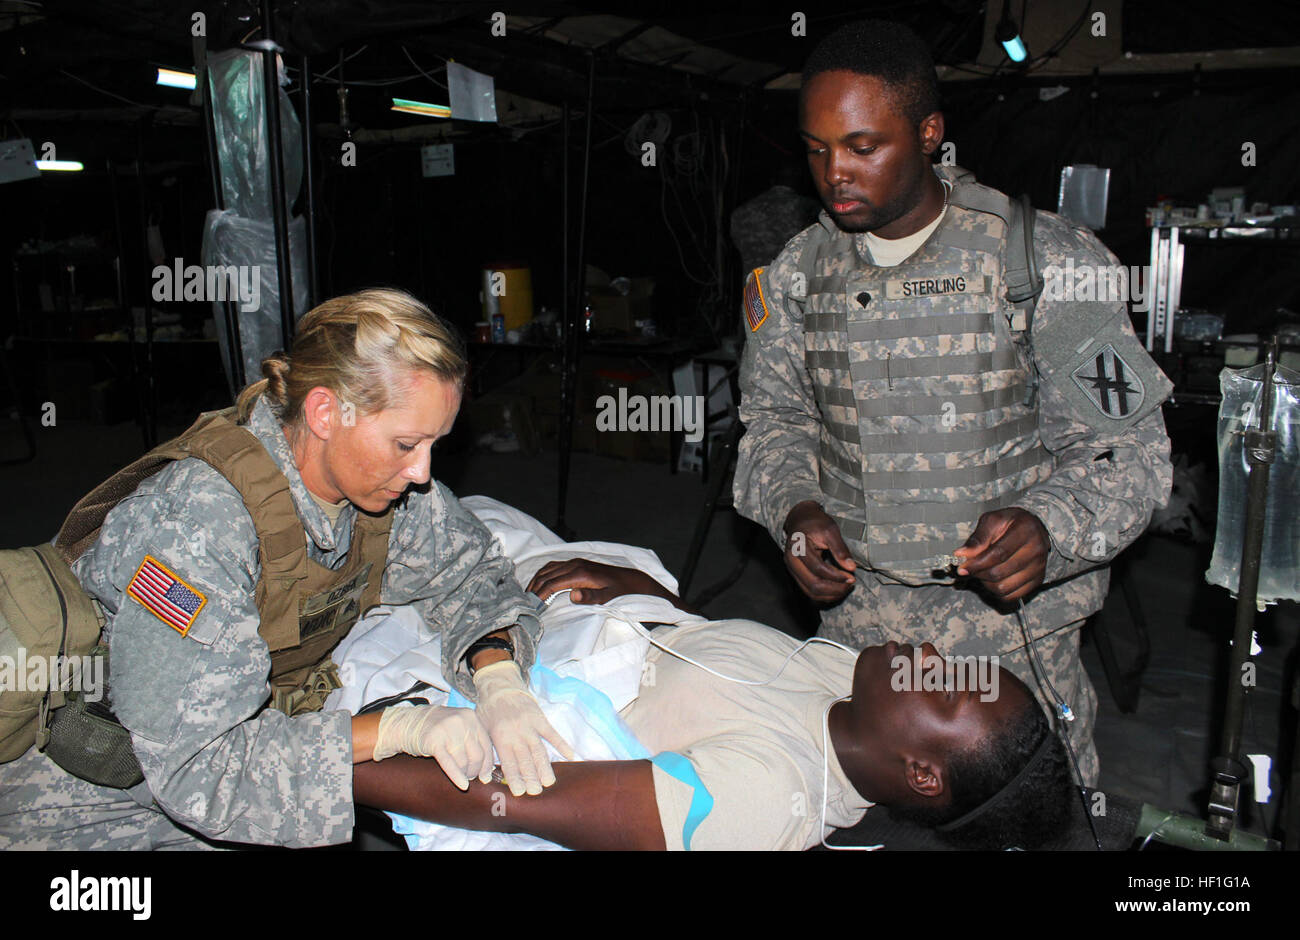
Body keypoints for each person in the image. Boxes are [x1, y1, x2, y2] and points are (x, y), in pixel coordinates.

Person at [732, 20, 1174, 787]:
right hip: (859, 644)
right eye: (815, 148)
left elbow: (1130, 451)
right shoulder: (796, 276)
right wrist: (796, 513)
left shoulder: (1044, 262)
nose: (834, 172)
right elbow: (774, 422)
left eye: (863, 146)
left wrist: (1050, 526)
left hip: (1011, 644)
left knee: (1039, 822)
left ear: (930, 132)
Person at [0, 288, 573, 850]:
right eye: (405, 443)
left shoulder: (386, 492)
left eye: (432, 444)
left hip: (221, 756)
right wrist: (396, 731)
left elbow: (474, 571)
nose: (423, 472)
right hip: (91, 794)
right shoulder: (194, 528)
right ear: (326, 411)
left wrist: (497, 675)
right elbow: (199, 768)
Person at [352, 557, 1077, 851]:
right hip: (601, 628)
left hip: (531, 699)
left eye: (942, 687)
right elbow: (726, 662)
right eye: (950, 663)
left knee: (355, 596)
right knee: (458, 523)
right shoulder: (847, 686)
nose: (926, 656)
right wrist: (642, 592)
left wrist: (322, 762)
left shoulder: (768, 792)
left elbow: (502, 799)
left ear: (921, 773)